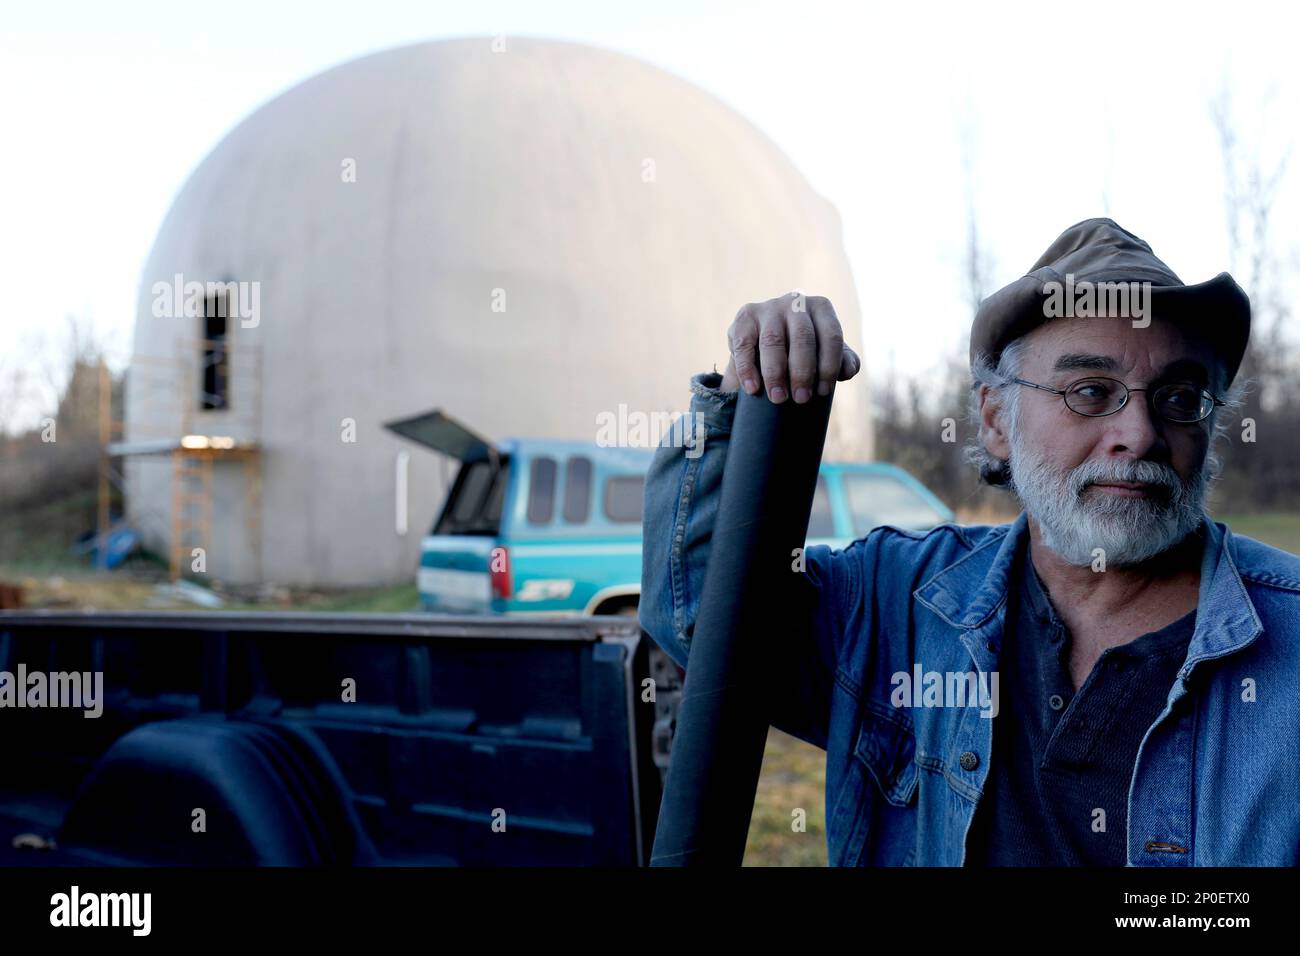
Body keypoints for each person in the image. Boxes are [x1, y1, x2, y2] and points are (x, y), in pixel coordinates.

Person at [639, 218, 1300, 866]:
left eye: (1180, 397)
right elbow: (699, 616)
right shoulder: (898, 602)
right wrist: (743, 391)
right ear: (994, 420)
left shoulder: (1289, 643)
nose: (1141, 434)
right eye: (1091, 391)